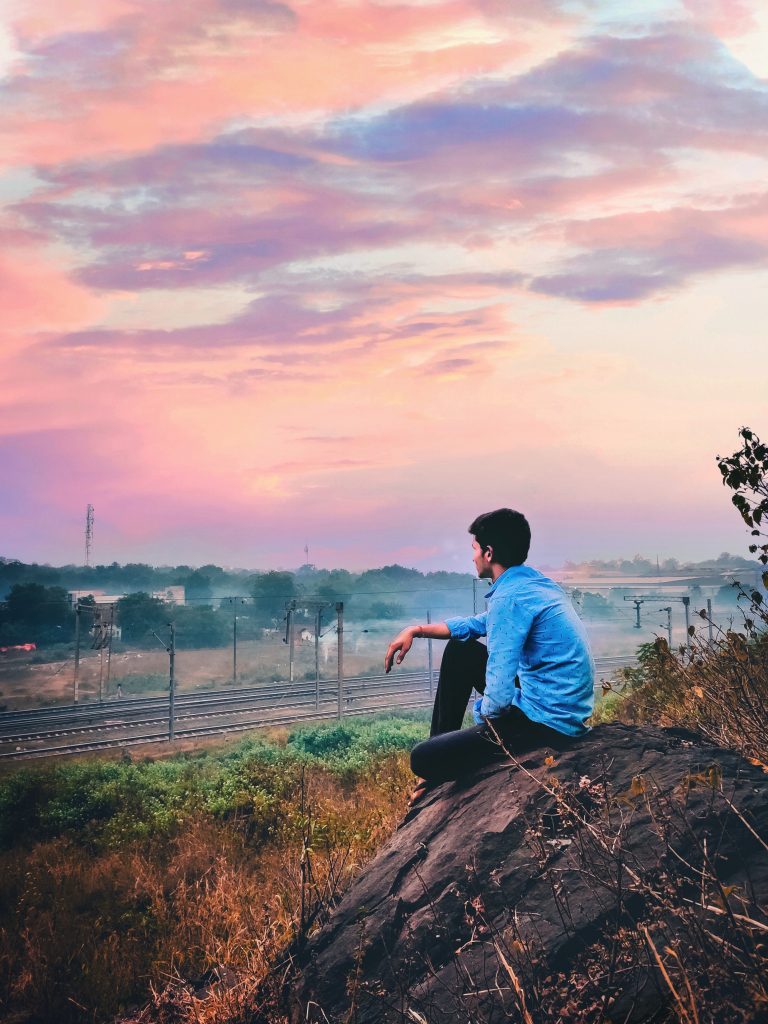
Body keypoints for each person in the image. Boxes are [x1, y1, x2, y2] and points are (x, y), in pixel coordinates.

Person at [384, 508, 595, 804]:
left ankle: (432, 769)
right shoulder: (533, 585)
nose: (471, 557)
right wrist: (416, 630)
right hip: (562, 709)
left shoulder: (509, 598)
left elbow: (498, 691)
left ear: (489, 552)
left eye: (473, 549)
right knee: (461, 648)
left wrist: (483, 720)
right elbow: (475, 625)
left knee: (423, 758)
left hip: (547, 724)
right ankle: (441, 749)